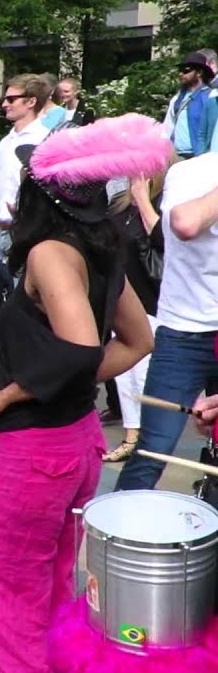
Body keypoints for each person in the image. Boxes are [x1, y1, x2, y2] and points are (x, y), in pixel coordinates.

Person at [0, 117, 155, 673]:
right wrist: (74, 382)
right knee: (49, 582)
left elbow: (78, 351)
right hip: (78, 442)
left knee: (7, 594)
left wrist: (8, 396)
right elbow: (136, 342)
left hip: (31, 452)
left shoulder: (50, 252)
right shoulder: (102, 249)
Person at [116, 150, 218, 490]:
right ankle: (116, 537)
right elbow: (186, 224)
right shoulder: (191, 172)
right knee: (152, 452)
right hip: (184, 333)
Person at [105, 172, 169, 462]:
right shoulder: (120, 203)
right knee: (123, 374)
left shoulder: (164, 200)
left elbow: (165, 241)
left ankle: (148, 442)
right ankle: (132, 436)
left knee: (143, 372)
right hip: (124, 298)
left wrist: (143, 200)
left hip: (153, 297)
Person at [0, 74, 52, 259]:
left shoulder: (45, 139)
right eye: (4, 99)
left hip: (28, 233)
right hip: (0, 234)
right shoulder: (7, 142)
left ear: (31, 101)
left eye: (11, 99)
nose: (4, 104)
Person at [164, 52, 218, 158]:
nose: (181, 74)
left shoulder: (211, 96)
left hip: (199, 157)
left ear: (199, 73)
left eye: (186, 70)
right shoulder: (176, 99)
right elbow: (167, 128)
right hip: (176, 156)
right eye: (180, 71)